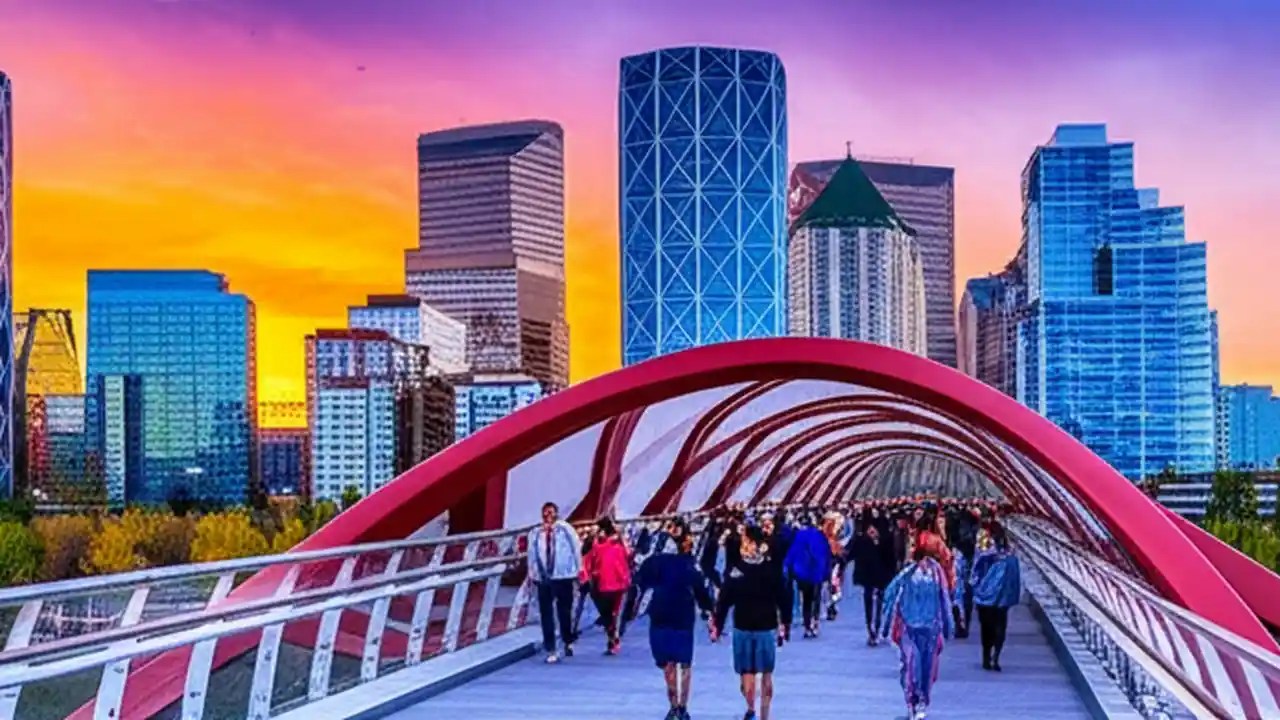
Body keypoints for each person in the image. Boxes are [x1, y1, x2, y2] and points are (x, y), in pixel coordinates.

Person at [636, 518, 715, 720]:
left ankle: (673, 706)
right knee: (684, 664)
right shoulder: (688, 563)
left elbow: (638, 583)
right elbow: (700, 590)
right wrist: (710, 612)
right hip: (682, 616)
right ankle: (682, 707)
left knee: (668, 665)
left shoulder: (653, 562)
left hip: (661, 615)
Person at [712, 525, 788, 720]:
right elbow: (783, 597)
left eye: (745, 541)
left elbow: (724, 600)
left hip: (743, 626)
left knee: (747, 672)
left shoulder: (737, 571)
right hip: (767, 625)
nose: (742, 546)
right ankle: (765, 714)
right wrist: (784, 624)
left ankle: (751, 709)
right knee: (767, 672)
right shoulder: (771, 570)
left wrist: (717, 626)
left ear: (753, 544)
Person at [881, 546, 955, 720]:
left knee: (926, 668)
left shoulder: (936, 576)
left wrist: (947, 625)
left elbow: (943, 599)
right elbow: (891, 596)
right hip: (910, 627)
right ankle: (913, 701)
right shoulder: (907, 575)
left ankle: (921, 700)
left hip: (930, 628)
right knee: (912, 665)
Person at [527, 501, 583, 663]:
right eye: (545, 513)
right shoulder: (536, 533)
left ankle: (567, 640)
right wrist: (532, 574)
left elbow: (576, 549)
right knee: (546, 614)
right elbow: (531, 554)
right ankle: (551, 648)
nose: (548, 516)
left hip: (564, 576)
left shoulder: (565, 529)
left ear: (556, 514)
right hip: (543, 578)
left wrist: (578, 571)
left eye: (551, 512)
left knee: (564, 611)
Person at [969, 525, 1022, 671]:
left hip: (985, 598)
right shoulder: (1010, 557)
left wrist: (975, 588)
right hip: (1001, 600)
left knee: (987, 629)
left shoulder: (985, 552)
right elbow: (1015, 580)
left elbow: (976, 570)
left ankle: (987, 657)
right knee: (999, 628)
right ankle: (994, 657)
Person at [580, 516, 632, 655]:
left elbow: (628, 554)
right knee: (609, 615)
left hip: (613, 583)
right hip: (607, 583)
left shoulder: (614, 542)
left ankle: (613, 639)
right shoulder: (597, 544)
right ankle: (612, 637)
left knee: (612, 614)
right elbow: (586, 560)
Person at [850, 519, 896, 646]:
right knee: (868, 601)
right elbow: (851, 553)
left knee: (879, 603)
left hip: (881, 578)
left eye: (873, 530)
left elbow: (891, 559)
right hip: (867, 578)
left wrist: (891, 574)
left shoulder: (885, 541)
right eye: (869, 530)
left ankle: (876, 627)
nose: (871, 532)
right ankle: (871, 629)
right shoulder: (861, 541)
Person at [784, 514, 830, 638]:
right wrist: (826, 571)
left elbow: (791, 553)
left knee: (806, 600)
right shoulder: (819, 536)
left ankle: (807, 625)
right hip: (817, 572)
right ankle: (815, 622)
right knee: (816, 598)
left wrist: (787, 566)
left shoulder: (798, 536)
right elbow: (826, 554)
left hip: (803, 573)